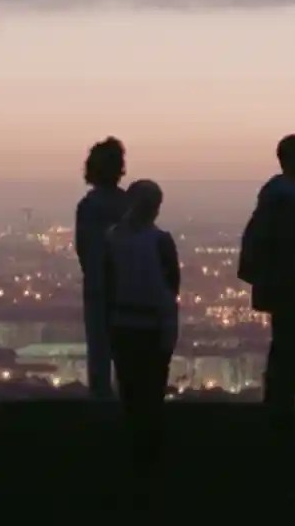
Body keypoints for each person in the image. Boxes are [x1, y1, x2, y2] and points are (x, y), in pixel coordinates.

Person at [238, 134, 295, 427]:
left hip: (284, 284)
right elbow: (289, 245)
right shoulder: (286, 196)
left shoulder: (278, 193)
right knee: (290, 346)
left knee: (285, 345)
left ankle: (278, 405)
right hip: (291, 286)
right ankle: (280, 408)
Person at [104, 180, 181, 469]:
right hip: (151, 327)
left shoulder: (112, 239)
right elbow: (171, 287)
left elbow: (108, 285)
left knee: (130, 392)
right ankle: (149, 454)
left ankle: (132, 453)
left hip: (124, 325)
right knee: (150, 394)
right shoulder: (160, 241)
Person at [74, 137, 128, 399]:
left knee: (99, 354)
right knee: (127, 355)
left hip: (97, 288)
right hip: (129, 288)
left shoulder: (88, 206)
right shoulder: (129, 204)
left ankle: (101, 412)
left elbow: (84, 250)